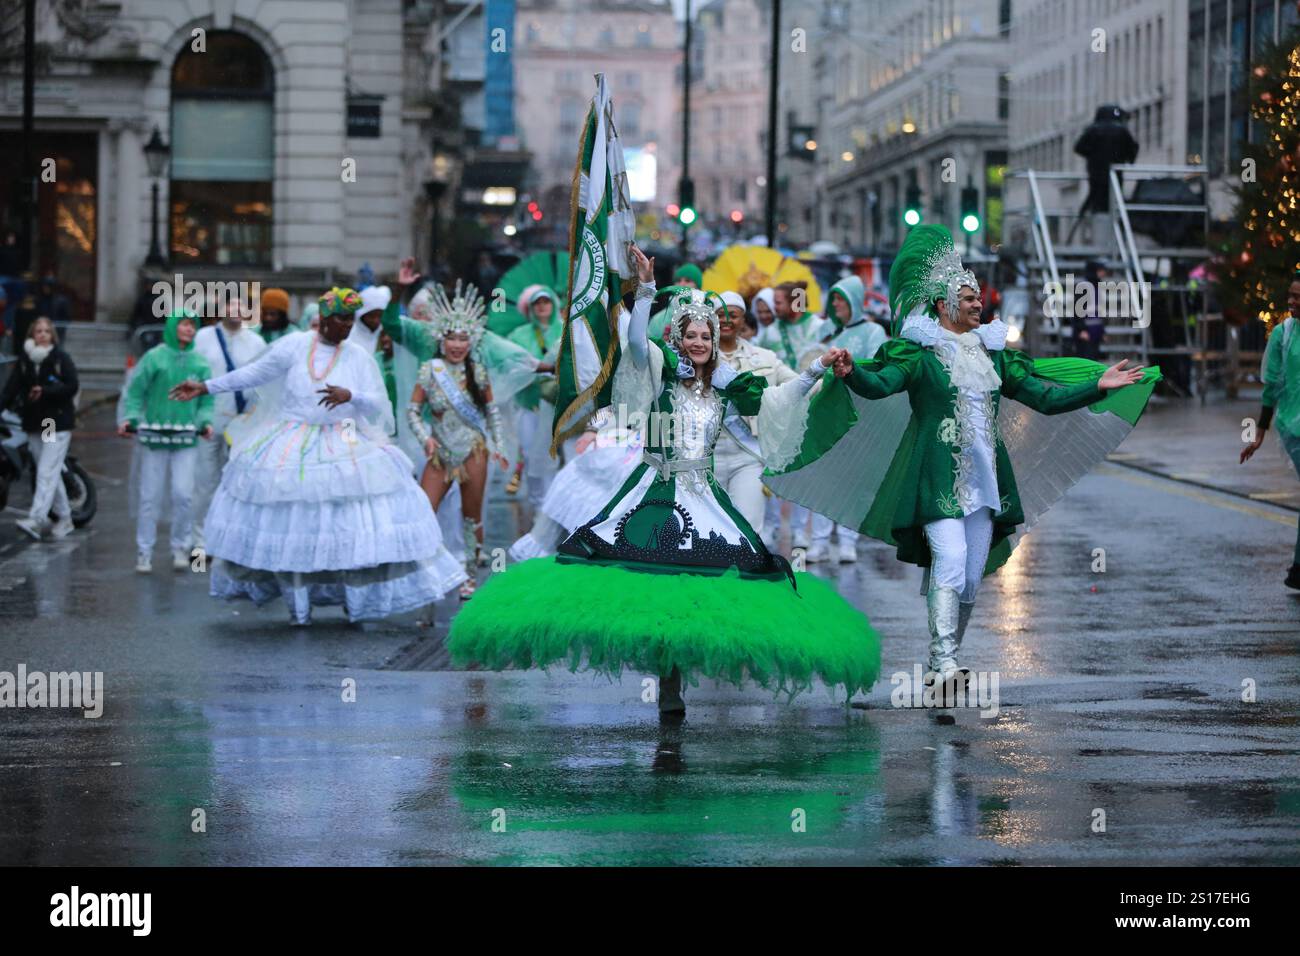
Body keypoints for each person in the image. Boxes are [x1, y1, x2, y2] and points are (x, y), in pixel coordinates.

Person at [448, 245, 880, 717]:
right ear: (678, 337)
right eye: (691, 335)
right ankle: (665, 680)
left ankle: (675, 675)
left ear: (715, 340)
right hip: (655, 493)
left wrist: (816, 368)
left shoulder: (728, 385)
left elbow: (781, 399)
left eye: (705, 335)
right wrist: (646, 289)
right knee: (651, 582)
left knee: (703, 582)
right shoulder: (660, 374)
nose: (698, 343)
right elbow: (635, 341)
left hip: (705, 496)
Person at [766, 225, 1156, 689]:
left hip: (986, 481)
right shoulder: (919, 354)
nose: (978, 305)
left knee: (970, 579)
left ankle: (941, 663)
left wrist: (1096, 386)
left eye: (978, 299)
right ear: (942, 305)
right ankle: (944, 662)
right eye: (969, 298)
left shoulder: (993, 355)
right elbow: (881, 384)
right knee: (948, 559)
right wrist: (851, 374)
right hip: (936, 478)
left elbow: (1043, 399)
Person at [168, 287, 465, 624]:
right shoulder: (295, 346)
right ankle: (299, 608)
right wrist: (207, 386)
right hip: (291, 440)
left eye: (350, 321)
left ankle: (354, 603)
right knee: (295, 524)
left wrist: (349, 395)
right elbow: (256, 373)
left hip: (345, 438)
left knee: (349, 525)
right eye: (340, 319)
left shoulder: (357, 356)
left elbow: (377, 403)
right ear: (323, 319)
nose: (347, 327)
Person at [405, 282, 510, 599]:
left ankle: (468, 576)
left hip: (473, 450)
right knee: (423, 511)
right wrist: (426, 439)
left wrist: (500, 446)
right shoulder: (429, 370)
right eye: (452, 337)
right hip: (439, 452)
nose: (458, 345)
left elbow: (492, 412)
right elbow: (412, 411)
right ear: (441, 338)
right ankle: (429, 573)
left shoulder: (478, 372)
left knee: (471, 515)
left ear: (471, 340)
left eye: (464, 338)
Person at [118, 308, 214, 573]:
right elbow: (135, 392)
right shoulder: (154, 358)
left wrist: (205, 422)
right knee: (150, 496)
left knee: (183, 495)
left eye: (193, 326)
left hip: (186, 438)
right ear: (172, 327)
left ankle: (180, 547)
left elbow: (207, 400)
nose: (189, 330)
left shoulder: (200, 363)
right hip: (153, 437)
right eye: (183, 325)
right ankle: (144, 551)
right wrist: (131, 418)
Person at [806, 274, 889, 563]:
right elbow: (809, 362)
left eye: (841, 298)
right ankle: (818, 541)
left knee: (850, 478)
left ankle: (847, 540)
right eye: (834, 299)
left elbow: (877, 367)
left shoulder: (873, 332)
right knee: (821, 478)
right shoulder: (827, 330)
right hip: (824, 414)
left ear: (855, 300)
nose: (836, 304)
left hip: (856, 414)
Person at [712, 289, 797, 540]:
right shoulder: (697, 354)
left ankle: (747, 577)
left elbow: (795, 386)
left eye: (734, 315)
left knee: (748, 530)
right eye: (720, 314)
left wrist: (828, 373)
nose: (727, 320)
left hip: (747, 456)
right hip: (707, 457)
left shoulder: (765, 358)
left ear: (743, 320)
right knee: (711, 531)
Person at [190, 296, 266, 551]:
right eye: (229, 304)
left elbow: (264, 383)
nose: (235, 310)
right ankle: (199, 540)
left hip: (243, 423)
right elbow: (192, 375)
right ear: (221, 309)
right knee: (204, 481)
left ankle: (231, 541)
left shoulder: (256, 342)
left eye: (240, 306)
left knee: (237, 483)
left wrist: (255, 416)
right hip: (208, 421)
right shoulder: (202, 338)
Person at [1240, 272, 1300, 590]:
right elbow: (1271, 385)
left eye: (1297, 297)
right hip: (1293, 426)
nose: (1291, 302)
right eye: (1290, 295)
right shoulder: (1283, 333)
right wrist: (1260, 432)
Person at [0, 316, 78, 539]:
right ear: (32, 335)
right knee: (49, 472)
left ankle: (37, 519)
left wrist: (46, 391)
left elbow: (72, 385)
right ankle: (64, 518)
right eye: (38, 331)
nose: (42, 335)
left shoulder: (59, 358)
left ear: (52, 335)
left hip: (53, 421)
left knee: (46, 470)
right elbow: (10, 390)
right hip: (35, 422)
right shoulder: (25, 360)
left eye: (46, 331)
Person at [505, 284, 563, 504]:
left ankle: (554, 502)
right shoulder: (518, 335)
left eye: (546, 301)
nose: (541, 306)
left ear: (553, 304)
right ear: (529, 307)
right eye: (536, 303)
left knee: (556, 455)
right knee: (530, 453)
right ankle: (538, 499)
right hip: (529, 402)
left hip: (560, 404)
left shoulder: (567, 329)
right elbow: (509, 363)